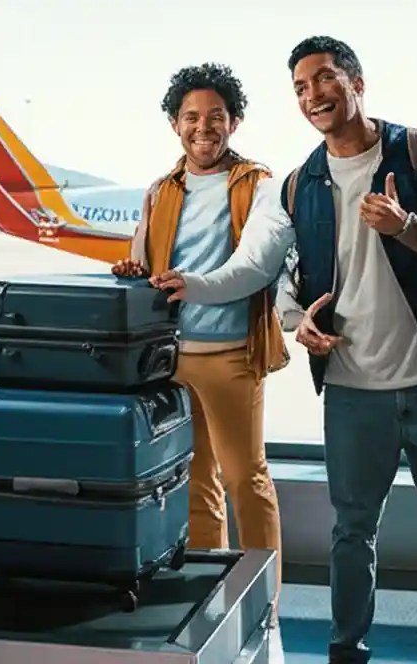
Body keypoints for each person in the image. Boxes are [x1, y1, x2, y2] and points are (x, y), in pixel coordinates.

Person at [151, 36, 417, 664]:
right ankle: (346, 645)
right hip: (353, 385)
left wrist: (405, 227)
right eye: (301, 88)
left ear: (356, 82)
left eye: (324, 78)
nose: (313, 95)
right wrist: (286, 317)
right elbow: (260, 270)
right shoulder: (298, 185)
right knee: (352, 534)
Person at [111, 63, 288, 655]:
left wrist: (196, 285)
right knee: (194, 487)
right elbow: (144, 256)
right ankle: (211, 599)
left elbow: (257, 265)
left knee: (247, 481)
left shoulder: (259, 184)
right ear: (174, 124)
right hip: (171, 359)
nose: (203, 127)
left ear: (234, 122)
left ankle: (266, 606)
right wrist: (134, 267)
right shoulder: (161, 190)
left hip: (232, 355)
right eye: (191, 117)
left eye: (216, 117)